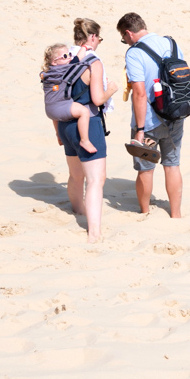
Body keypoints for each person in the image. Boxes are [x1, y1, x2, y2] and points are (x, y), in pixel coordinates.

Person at [119, 12, 188, 218]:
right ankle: (176, 214)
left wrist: (140, 129)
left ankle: (144, 212)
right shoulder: (171, 44)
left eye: (123, 38)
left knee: (146, 169)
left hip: (149, 120)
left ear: (129, 33)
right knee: (172, 166)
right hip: (175, 114)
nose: (125, 42)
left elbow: (139, 93)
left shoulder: (134, 53)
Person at [60, 19, 114, 242]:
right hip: (89, 124)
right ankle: (94, 232)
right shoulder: (93, 62)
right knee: (95, 180)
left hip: (65, 123)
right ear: (92, 37)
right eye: (99, 38)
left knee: (76, 175)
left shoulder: (62, 59)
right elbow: (97, 99)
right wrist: (111, 89)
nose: (99, 42)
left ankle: (78, 211)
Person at [39, 43, 98, 155]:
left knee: (56, 117)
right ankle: (84, 140)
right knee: (84, 112)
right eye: (65, 56)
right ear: (54, 62)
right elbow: (79, 61)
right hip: (62, 106)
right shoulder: (65, 69)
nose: (70, 58)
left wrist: (84, 48)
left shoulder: (47, 73)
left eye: (70, 54)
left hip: (50, 110)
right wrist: (86, 51)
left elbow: (75, 59)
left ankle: (59, 135)